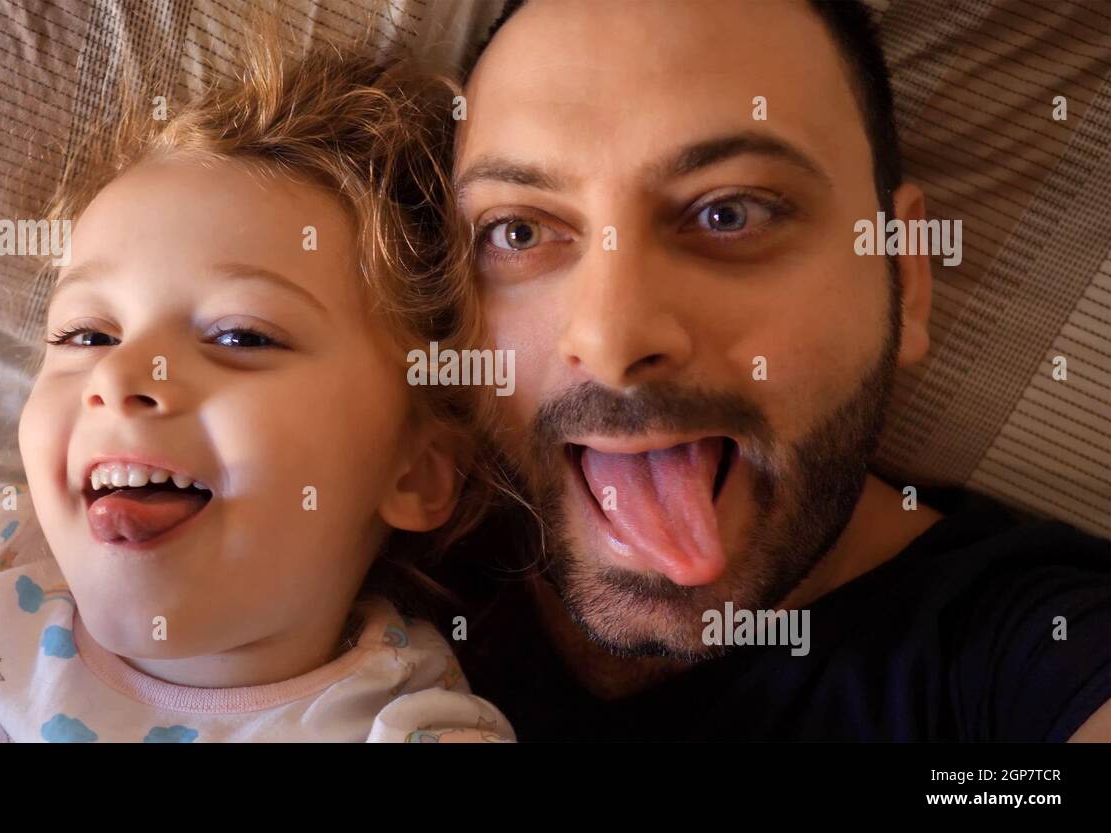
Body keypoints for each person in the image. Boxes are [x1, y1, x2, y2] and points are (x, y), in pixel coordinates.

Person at [0, 31, 512, 743]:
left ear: (417, 470)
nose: (117, 377)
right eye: (87, 335)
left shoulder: (407, 729)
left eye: (239, 337)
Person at [444, 0, 1111, 741]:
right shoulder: (375, 552)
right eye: (519, 230)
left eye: (731, 213)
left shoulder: (1038, 655)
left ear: (906, 274)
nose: (611, 339)